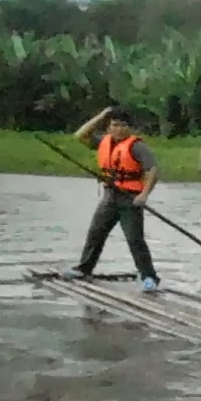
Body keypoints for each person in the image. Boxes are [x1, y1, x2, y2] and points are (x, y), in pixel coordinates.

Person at [61, 105, 161, 290]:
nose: (118, 129)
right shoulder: (103, 141)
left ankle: (149, 277)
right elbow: (79, 135)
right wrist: (102, 114)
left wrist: (144, 194)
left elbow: (152, 170)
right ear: (108, 127)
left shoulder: (137, 146)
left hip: (130, 198)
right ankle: (84, 268)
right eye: (114, 125)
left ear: (129, 128)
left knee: (134, 239)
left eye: (123, 125)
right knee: (96, 233)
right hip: (110, 196)